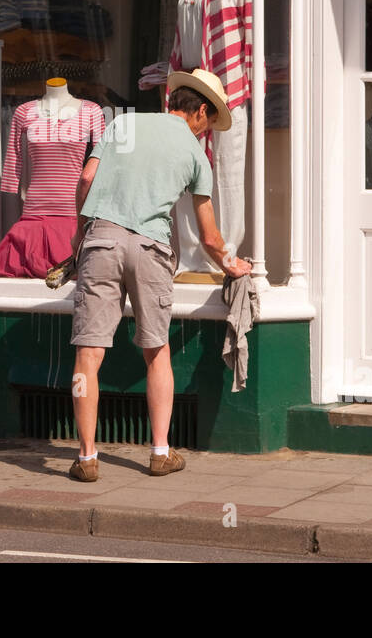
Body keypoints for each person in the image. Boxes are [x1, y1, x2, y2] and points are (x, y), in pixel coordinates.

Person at [68, 68, 252, 482]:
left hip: (102, 240)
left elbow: (86, 178)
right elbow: (208, 236)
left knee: (89, 353)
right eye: (210, 122)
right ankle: (160, 452)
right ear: (201, 111)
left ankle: (87, 458)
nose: (208, 131)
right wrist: (229, 262)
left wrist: (81, 236)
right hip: (151, 248)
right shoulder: (194, 154)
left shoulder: (124, 123)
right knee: (157, 350)